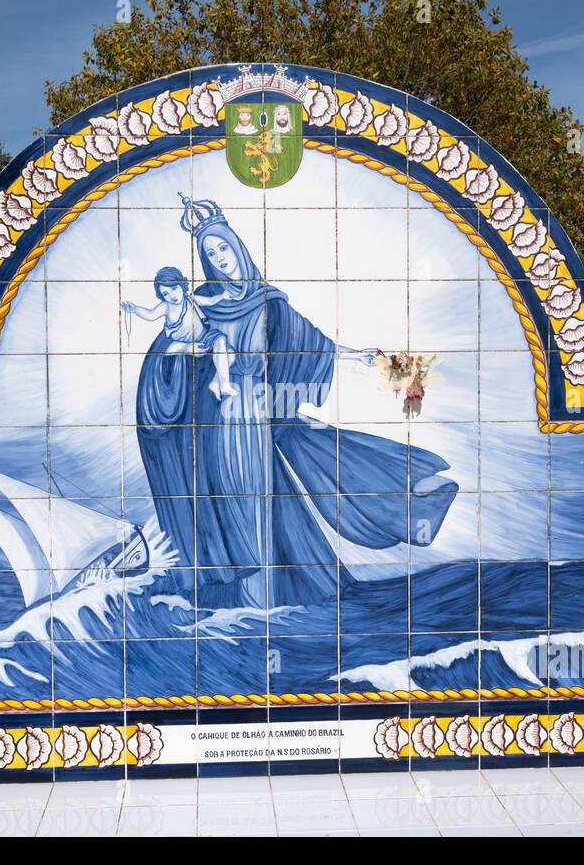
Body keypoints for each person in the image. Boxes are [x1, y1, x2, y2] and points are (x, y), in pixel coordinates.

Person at [135, 195, 458, 609]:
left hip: (253, 423)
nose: (220, 258)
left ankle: (409, 502)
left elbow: (315, 345)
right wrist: (182, 357)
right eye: (211, 253)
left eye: (224, 248)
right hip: (214, 429)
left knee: (285, 480)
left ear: (238, 248)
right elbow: (170, 349)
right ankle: (236, 594)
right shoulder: (200, 304)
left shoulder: (268, 304)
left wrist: (372, 360)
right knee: (232, 509)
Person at [122, 266, 237, 399]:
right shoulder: (166, 307)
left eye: (174, 288)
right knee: (224, 353)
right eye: (165, 294)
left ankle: (220, 383)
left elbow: (210, 301)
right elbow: (150, 315)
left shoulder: (190, 299)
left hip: (204, 339)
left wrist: (222, 296)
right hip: (182, 344)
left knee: (229, 352)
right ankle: (217, 383)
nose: (171, 295)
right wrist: (135, 309)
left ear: (182, 286)